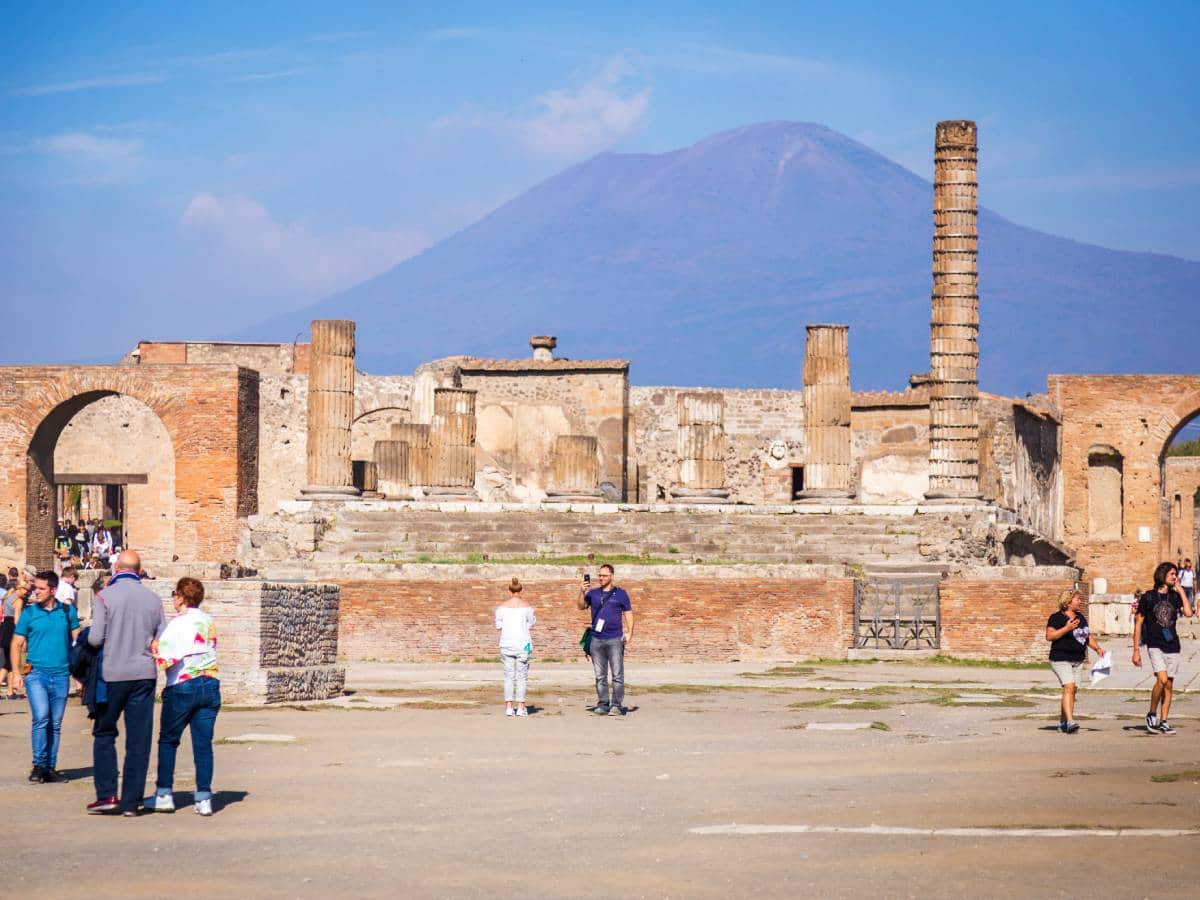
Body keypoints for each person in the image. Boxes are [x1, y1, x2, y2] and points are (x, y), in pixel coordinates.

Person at [87, 549, 165, 815]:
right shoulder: (154, 599)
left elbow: (96, 638)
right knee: (139, 740)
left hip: (113, 673)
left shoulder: (105, 596)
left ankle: (108, 795)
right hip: (144, 674)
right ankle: (132, 802)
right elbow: (160, 638)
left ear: (117, 568)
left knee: (105, 732)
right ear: (139, 570)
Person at [147, 576, 220, 816]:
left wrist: (153, 648)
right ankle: (204, 798)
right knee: (203, 744)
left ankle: (165, 794)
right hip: (209, 684)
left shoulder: (178, 623)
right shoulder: (208, 620)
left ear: (180, 597)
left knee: (169, 741)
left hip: (183, 685)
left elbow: (168, 657)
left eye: (174, 594)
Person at [10, 571, 81, 783]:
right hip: (36, 674)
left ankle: (50, 766)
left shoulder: (67, 611)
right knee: (41, 717)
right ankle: (38, 765)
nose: (36, 592)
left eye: (41, 589)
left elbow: (79, 641)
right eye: (35, 588)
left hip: (61, 674)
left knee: (56, 723)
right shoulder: (30, 613)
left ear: (53, 590)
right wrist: (15, 672)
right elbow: (16, 643)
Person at [1133, 561, 1194, 735]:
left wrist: (1181, 590)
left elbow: (1189, 613)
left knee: (1169, 685)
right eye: (1172, 574)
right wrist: (1136, 650)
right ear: (1162, 575)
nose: (1175, 577)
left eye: (1176, 574)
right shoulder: (1148, 597)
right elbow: (1138, 623)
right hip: (1154, 644)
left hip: (1173, 645)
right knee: (1162, 679)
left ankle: (1164, 720)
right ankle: (1152, 713)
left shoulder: (1174, 597)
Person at [577, 563, 634, 716]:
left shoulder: (621, 594)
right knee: (600, 675)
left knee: (617, 674)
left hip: (615, 638)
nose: (601, 578)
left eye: (604, 575)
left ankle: (616, 704)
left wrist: (630, 632)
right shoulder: (593, 593)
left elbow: (628, 613)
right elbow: (581, 606)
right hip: (596, 639)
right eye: (599, 575)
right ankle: (603, 703)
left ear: (611, 576)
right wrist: (582, 592)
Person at [1045, 589, 1104, 734]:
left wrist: (1097, 648)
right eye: (1077, 599)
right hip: (1060, 659)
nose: (1080, 601)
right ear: (1068, 601)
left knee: (1072, 690)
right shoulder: (1056, 617)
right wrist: (1067, 628)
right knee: (1069, 686)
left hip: (1077, 660)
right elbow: (1049, 636)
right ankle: (1071, 722)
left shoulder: (1081, 617)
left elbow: (1086, 636)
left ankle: (1063, 722)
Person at [495, 577, 536, 717]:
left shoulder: (501, 608)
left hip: (506, 644)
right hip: (523, 644)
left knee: (508, 676)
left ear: (509, 590)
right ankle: (521, 706)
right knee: (521, 676)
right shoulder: (527, 607)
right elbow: (531, 623)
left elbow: (498, 626)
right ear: (521, 590)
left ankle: (508, 706)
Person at [2, 572, 30, 699]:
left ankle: (10, 692)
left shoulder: (8, 597)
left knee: (8, 664)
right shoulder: (18, 601)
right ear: (19, 588)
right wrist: (22, 637)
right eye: (25, 590)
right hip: (13, 631)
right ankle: (10, 691)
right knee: (13, 662)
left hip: (4, 631)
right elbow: (17, 620)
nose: (27, 593)